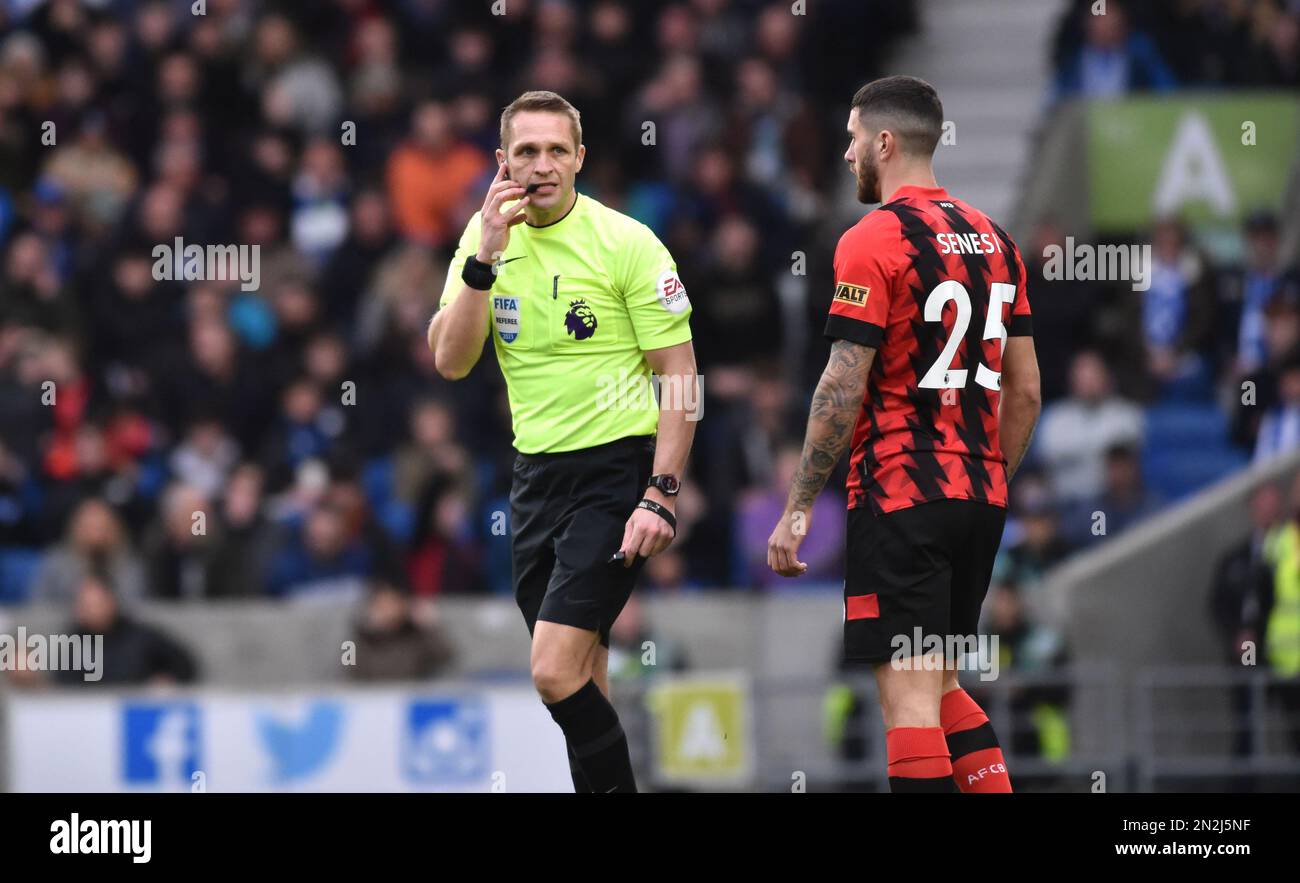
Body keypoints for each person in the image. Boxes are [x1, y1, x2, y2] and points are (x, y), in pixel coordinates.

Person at [766, 76, 1041, 793]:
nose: (848, 152)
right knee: (945, 688)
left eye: (854, 138)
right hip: (978, 495)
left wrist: (798, 505)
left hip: (899, 495)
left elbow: (840, 383)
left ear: (884, 143)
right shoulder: (996, 240)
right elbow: (1029, 389)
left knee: (909, 703)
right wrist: (990, 476)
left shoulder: (873, 239)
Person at [428, 91, 698, 793]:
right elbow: (451, 359)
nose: (541, 165)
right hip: (535, 479)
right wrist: (484, 257)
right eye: (526, 151)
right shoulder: (484, 237)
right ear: (502, 161)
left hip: (617, 471)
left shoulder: (627, 242)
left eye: (556, 150)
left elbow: (681, 376)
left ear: (579, 157)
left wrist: (662, 493)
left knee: (551, 670)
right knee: (584, 676)